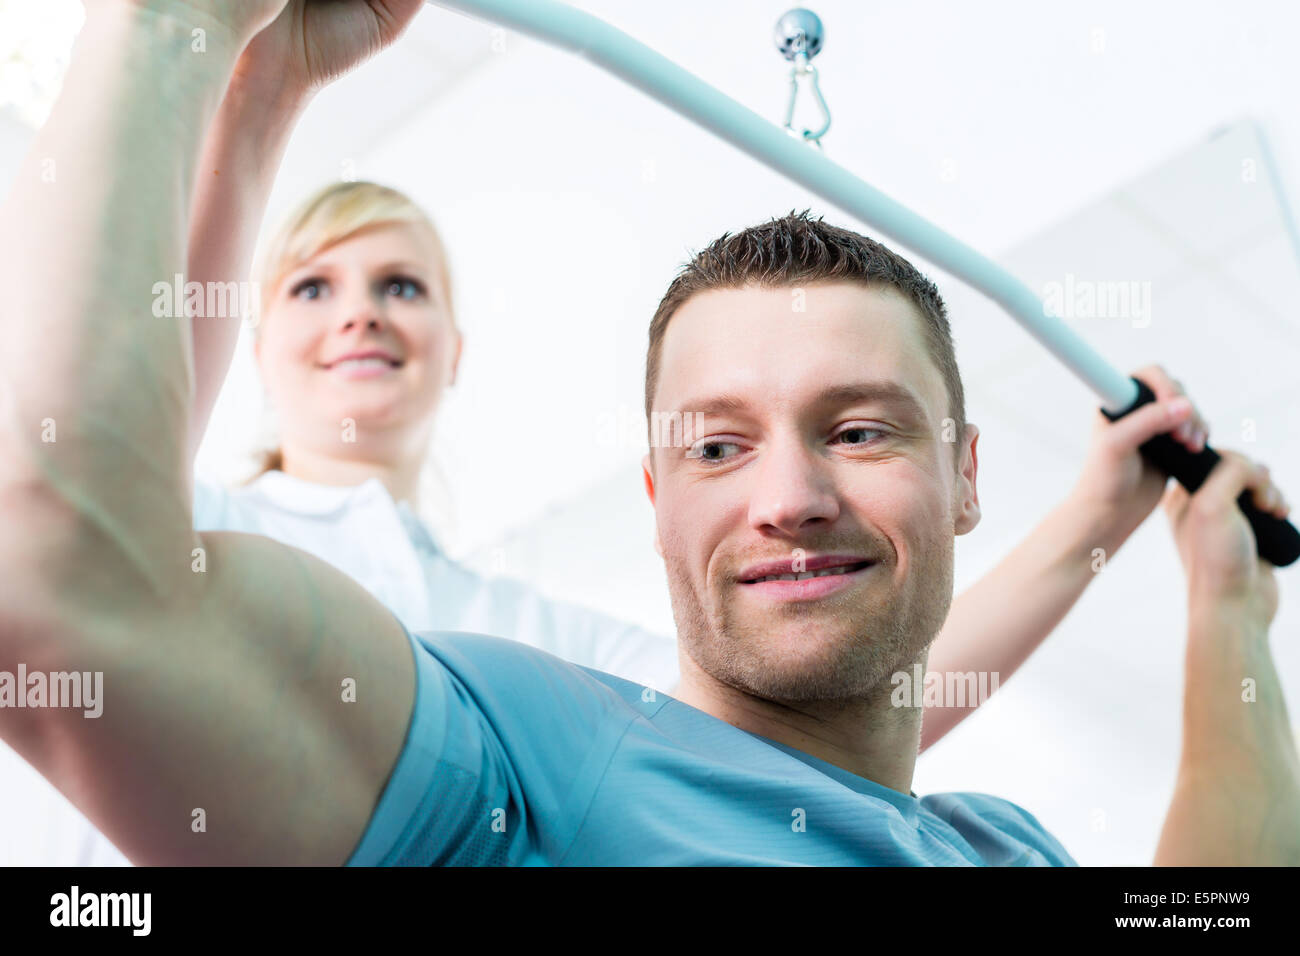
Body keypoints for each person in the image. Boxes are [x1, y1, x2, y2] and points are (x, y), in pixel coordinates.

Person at [3, 0, 1297, 866]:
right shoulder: (521, 750)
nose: (789, 494)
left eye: (858, 429)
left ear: (966, 477)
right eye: (719, 446)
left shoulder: (999, 845)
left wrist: (1219, 605)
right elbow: (56, 575)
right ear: (653, 491)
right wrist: (187, 25)